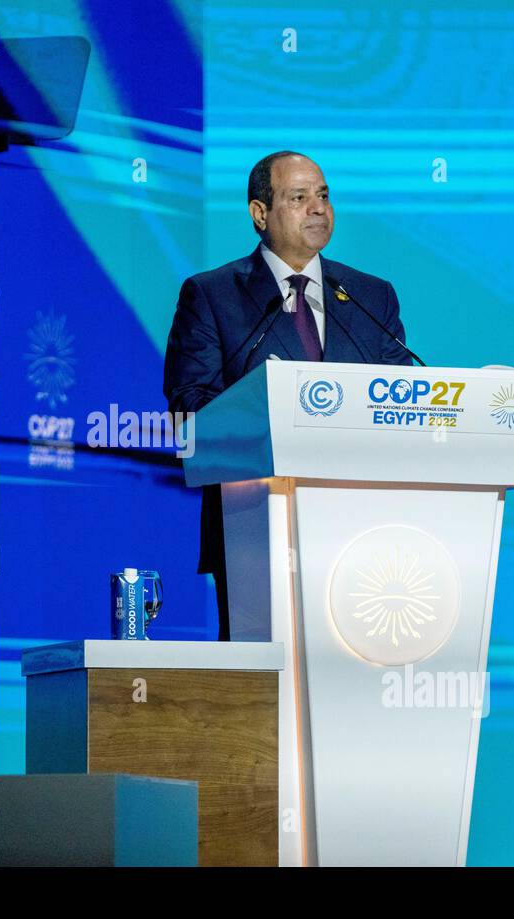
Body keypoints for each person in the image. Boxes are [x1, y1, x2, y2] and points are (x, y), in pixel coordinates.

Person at [162, 150, 413, 640]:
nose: (317, 208)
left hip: (365, 531)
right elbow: (191, 408)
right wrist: (267, 404)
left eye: (323, 196)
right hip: (255, 530)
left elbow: (401, 398)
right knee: (267, 695)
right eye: (299, 198)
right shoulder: (212, 295)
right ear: (260, 213)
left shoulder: (370, 295)